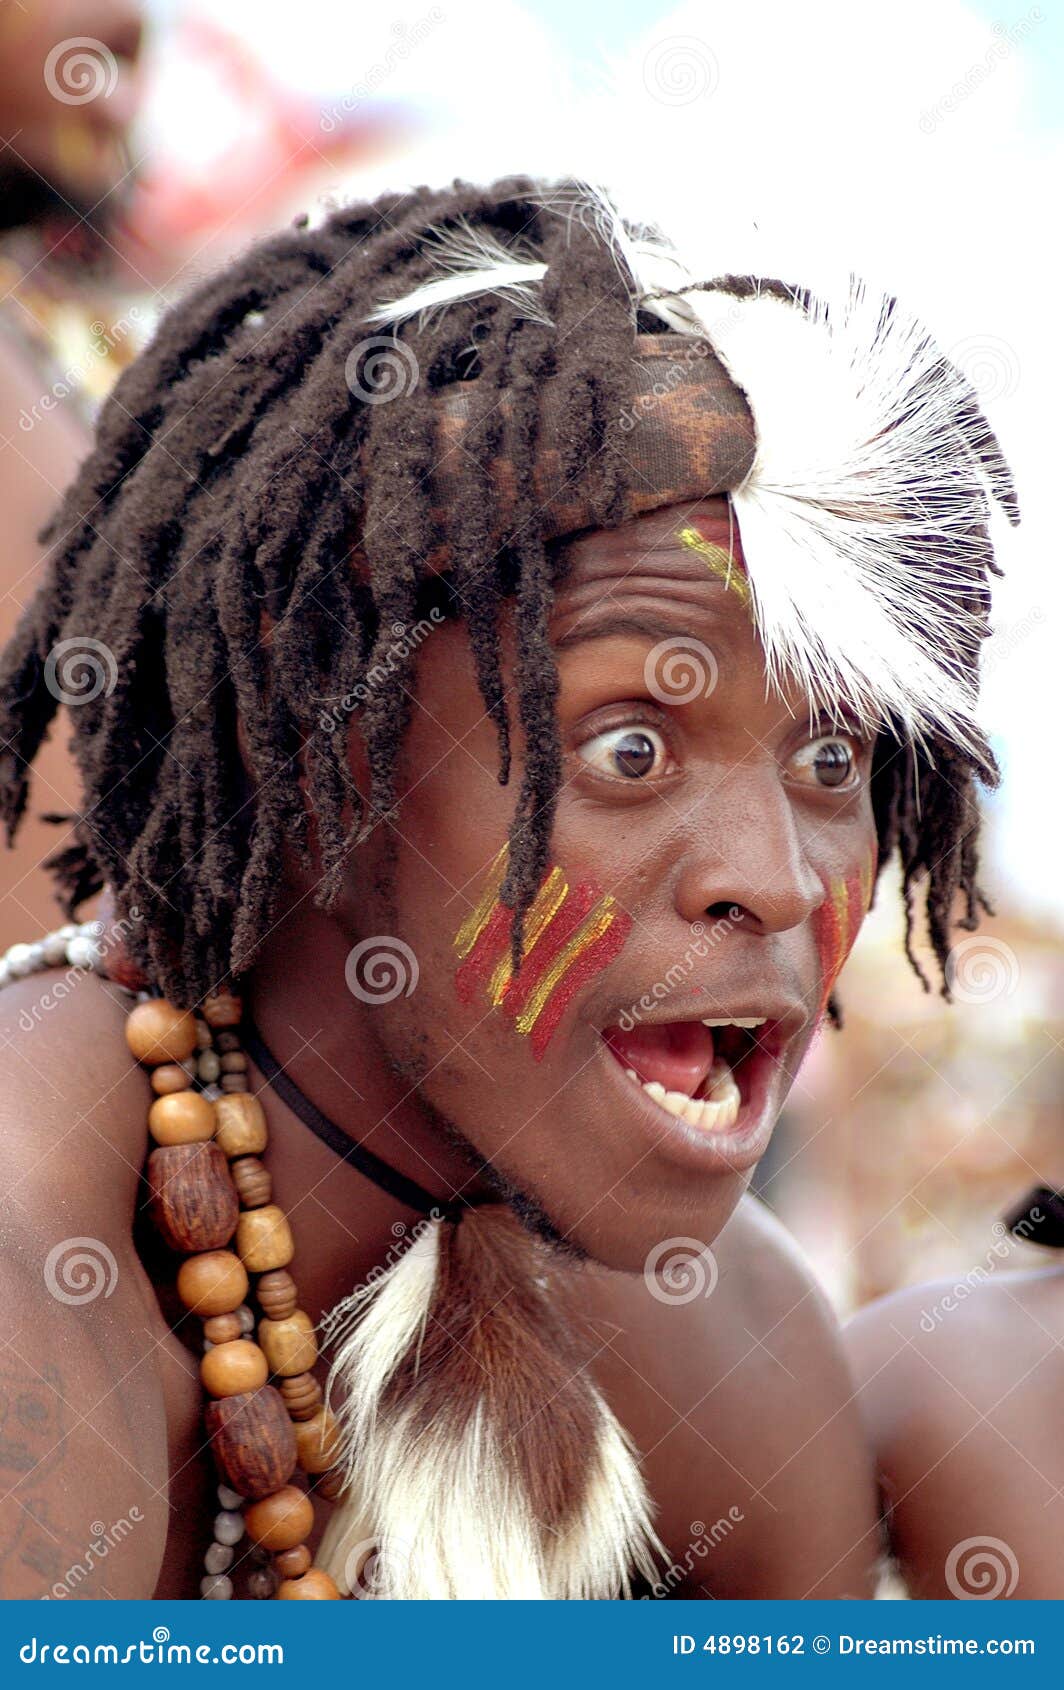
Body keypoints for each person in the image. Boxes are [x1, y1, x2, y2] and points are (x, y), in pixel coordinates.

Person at [0, 177, 1015, 1600]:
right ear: (320, 773)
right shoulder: (37, 1286)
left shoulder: (724, 1344)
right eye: (631, 748)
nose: (776, 882)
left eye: (833, 758)